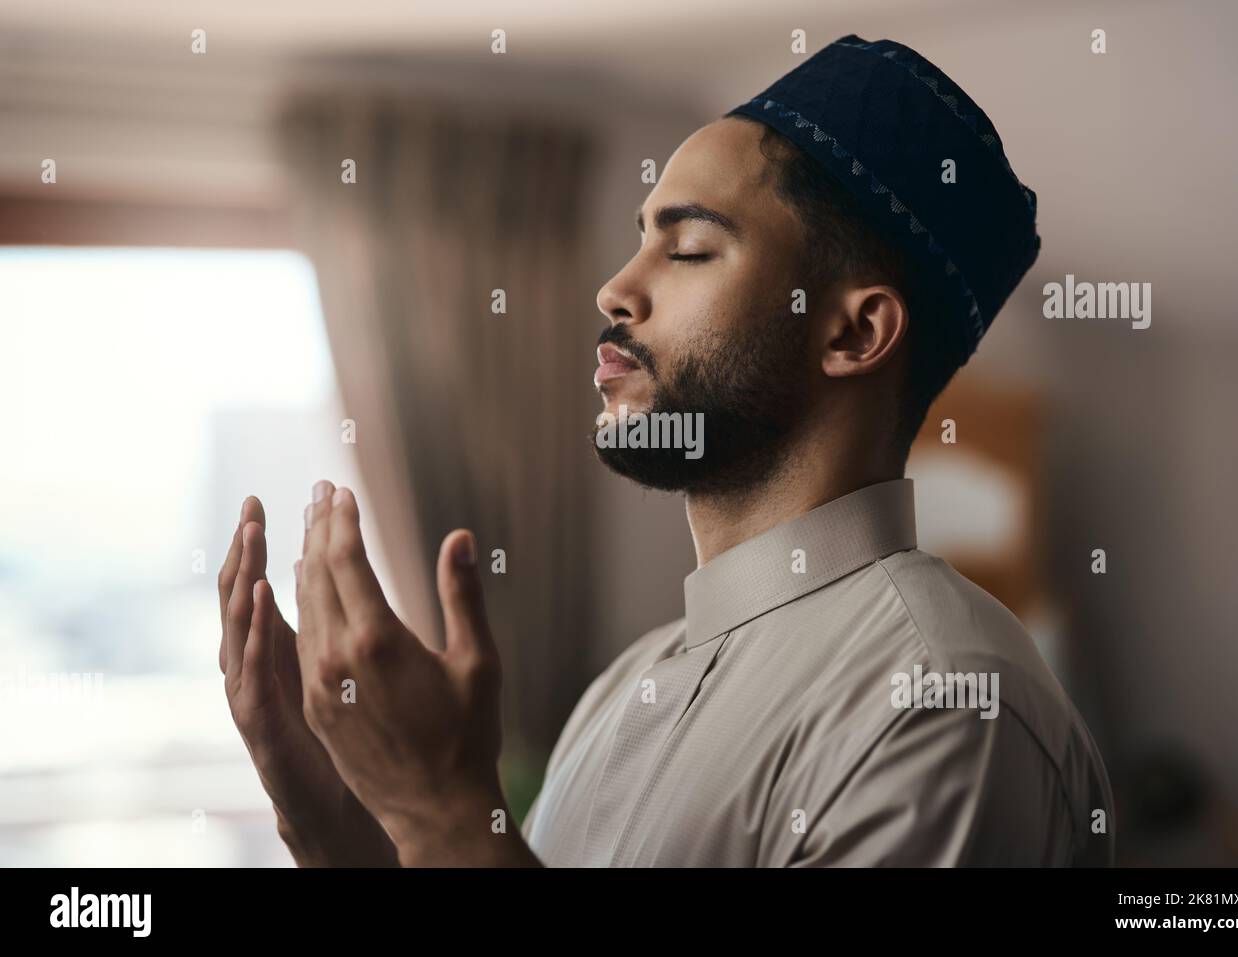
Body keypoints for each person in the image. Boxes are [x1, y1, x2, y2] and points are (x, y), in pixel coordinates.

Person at [217, 35, 1114, 866]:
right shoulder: (623, 690)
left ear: (853, 331)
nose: (615, 288)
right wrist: (336, 817)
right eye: (638, 238)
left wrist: (440, 812)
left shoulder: (945, 705)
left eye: (687, 249)